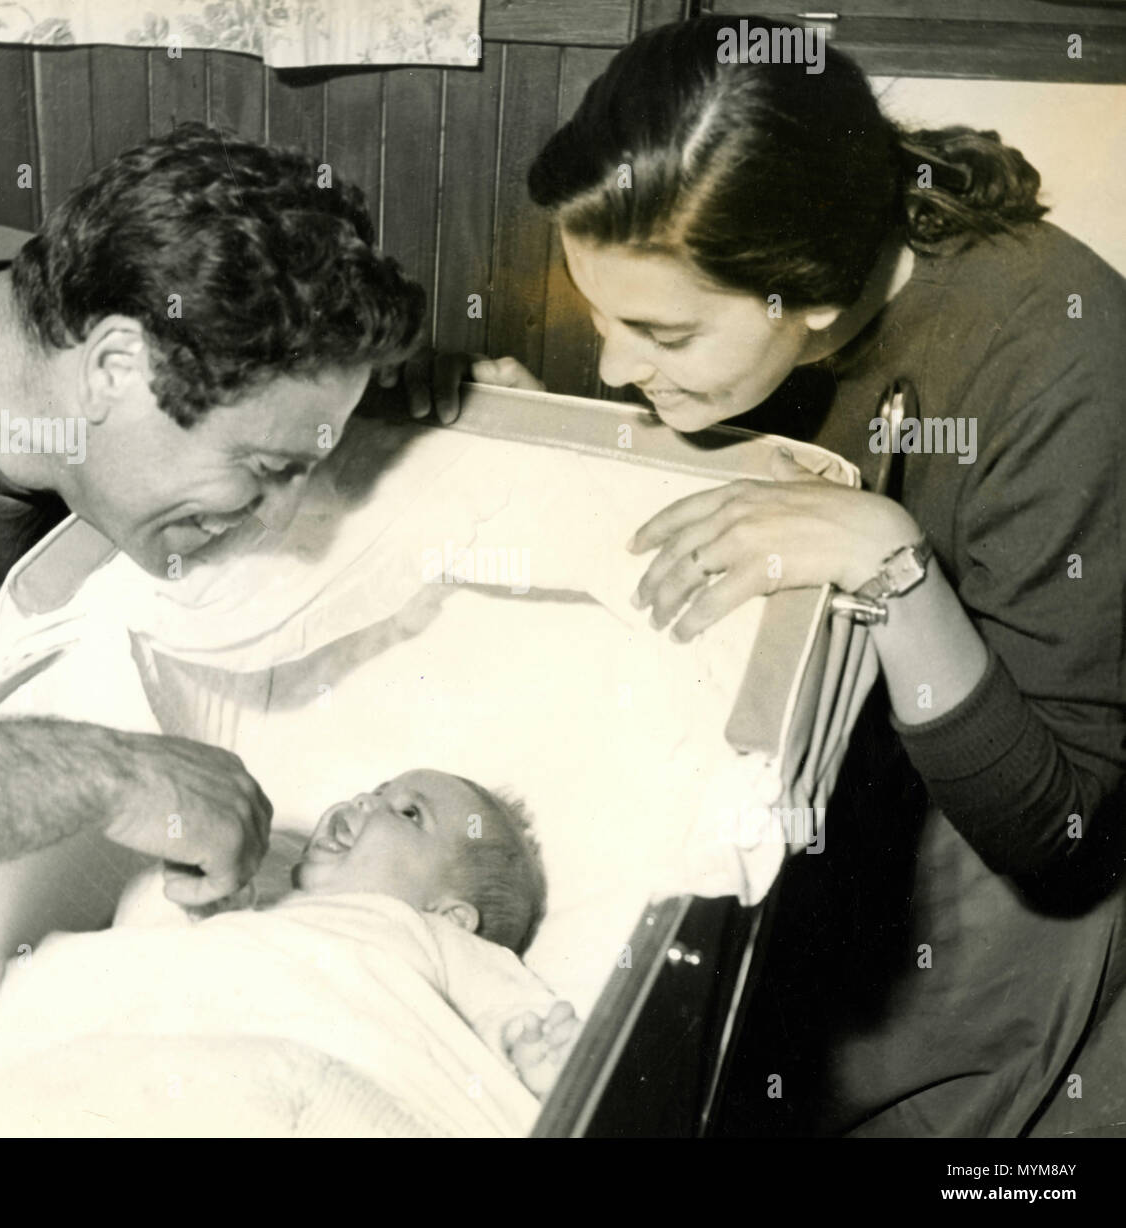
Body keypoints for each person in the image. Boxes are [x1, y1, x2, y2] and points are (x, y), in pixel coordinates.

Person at [418, 16, 1126, 1137]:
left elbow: (1064, 833)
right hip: (832, 823)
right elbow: (753, 455)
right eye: (600, 314)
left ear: (815, 297)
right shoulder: (792, 270)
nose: (612, 361)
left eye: (657, 332)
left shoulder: (1065, 366)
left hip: (997, 890)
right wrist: (544, 434)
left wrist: (886, 562)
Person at [0, 124, 426, 910]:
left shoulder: (90, 303)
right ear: (117, 368)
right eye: (265, 469)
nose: (279, 517)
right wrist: (120, 777)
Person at [0, 769, 580, 1137]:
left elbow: (525, 1020)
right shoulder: (255, 905)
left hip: (325, 1095)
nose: (368, 801)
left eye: (409, 814)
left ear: (452, 913)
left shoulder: (431, 940)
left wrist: (546, 1062)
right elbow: (144, 948)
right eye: (376, 789)